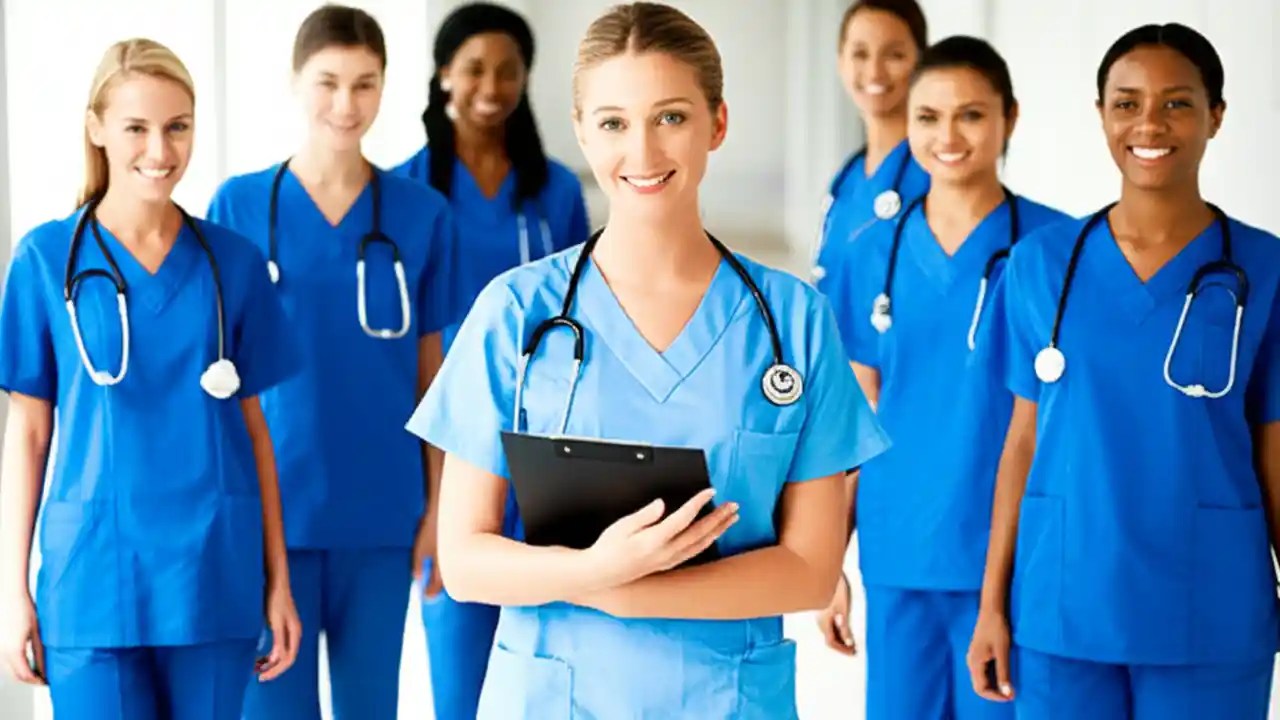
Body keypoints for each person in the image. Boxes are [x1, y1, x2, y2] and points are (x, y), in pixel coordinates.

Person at [404, 2, 888, 717]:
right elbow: (466, 559)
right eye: (612, 123)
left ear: (717, 123)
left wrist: (626, 588)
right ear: (581, 131)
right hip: (554, 696)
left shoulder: (791, 322)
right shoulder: (516, 314)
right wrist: (596, 568)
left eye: (671, 117)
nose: (643, 152)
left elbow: (812, 572)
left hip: (728, 698)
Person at [967, 23, 1280, 720]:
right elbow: (1020, 444)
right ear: (1102, 113)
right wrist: (992, 605)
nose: (1149, 123)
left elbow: (1274, 447)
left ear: (1215, 116)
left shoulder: (1265, 268)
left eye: (1176, 103)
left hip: (1211, 611)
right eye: (1127, 102)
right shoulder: (1042, 265)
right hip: (1063, 610)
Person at [0, 38, 300, 719]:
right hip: (91, 578)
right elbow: (28, 435)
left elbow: (257, 434)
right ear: (97, 128)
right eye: (136, 127)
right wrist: (10, 590)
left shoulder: (233, 263)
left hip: (211, 573)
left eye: (177, 127)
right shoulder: (47, 259)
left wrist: (278, 582)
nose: (159, 150)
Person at [205, 6, 460, 719]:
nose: (346, 105)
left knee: (370, 707)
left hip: (380, 513)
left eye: (365, 84)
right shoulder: (240, 206)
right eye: (328, 82)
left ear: (385, 89)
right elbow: (220, 375)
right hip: (270, 514)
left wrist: (440, 507)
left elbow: (432, 373)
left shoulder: (421, 214)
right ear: (295, 83)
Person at [818, 35, 1070, 720]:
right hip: (899, 547)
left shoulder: (1058, 252)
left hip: (1013, 554)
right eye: (927, 117)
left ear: (1008, 118)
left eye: (970, 115)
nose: (947, 136)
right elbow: (855, 418)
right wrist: (825, 558)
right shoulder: (874, 251)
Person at [391, 5, 590, 716]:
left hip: (547, 444)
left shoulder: (557, 191)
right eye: (474, 67)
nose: (492, 84)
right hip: (452, 448)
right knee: (459, 661)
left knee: (553, 669)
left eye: (509, 69)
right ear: (443, 74)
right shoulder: (406, 194)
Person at [812, 0, 930, 297]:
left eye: (894, 55)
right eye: (860, 54)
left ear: (921, 63)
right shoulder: (847, 178)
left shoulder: (935, 175)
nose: (875, 72)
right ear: (841, 62)